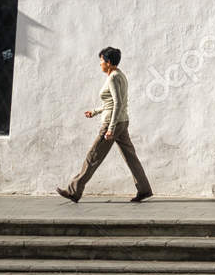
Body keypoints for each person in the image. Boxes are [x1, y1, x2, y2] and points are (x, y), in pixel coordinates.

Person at [57, 47, 154, 203]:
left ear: (108, 62)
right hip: (121, 121)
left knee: (93, 156)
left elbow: (117, 103)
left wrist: (111, 128)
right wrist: (95, 111)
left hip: (113, 122)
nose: (100, 64)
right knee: (130, 157)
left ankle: (73, 191)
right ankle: (144, 189)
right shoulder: (120, 75)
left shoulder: (113, 78)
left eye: (101, 61)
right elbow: (111, 102)